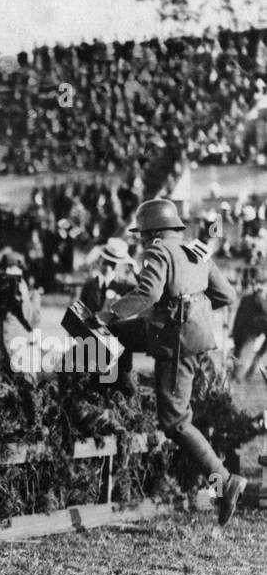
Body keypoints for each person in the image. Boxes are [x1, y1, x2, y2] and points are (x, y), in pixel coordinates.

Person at [97, 198, 245, 523]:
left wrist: (108, 314)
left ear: (152, 233)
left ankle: (225, 482)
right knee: (121, 334)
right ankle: (121, 386)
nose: (140, 241)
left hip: (175, 344)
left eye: (142, 235)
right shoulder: (197, 251)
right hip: (180, 336)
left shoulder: (159, 251)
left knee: (176, 423)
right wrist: (191, 309)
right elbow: (226, 296)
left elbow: (148, 294)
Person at [76, 237, 137, 392]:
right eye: (107, 262)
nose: (110, 267)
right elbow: (81, 314)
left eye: (114, 263)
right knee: (96, 388)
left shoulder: (126, 286)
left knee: (125, 389)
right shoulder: (90, 286)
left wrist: (135, 269)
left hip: (120, 347)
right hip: (96, 346)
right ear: (100, 260)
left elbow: (147, 293)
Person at [0, 249, 41, 370]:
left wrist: (24, 298)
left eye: (13, 271)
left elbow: (34, 323)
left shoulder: (32, 295)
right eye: (5, 270)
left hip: (21, 352)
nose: (8, 275)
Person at [230, 267, 267, 382]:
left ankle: (239, 375)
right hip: (249, 330)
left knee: (243, 352)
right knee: (243, 353)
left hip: (248, 330)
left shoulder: (251, 298)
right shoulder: (254, 298)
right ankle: (239, 376)